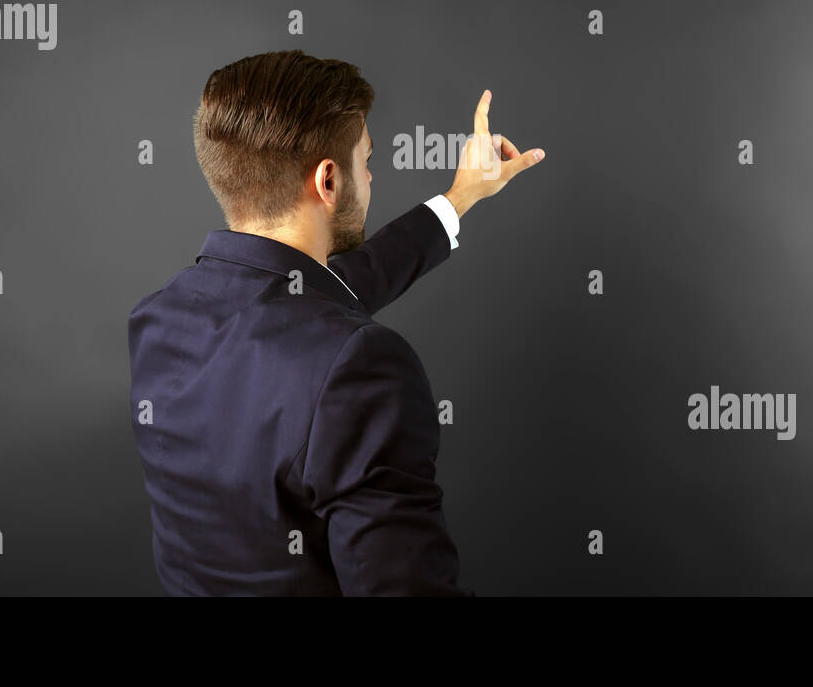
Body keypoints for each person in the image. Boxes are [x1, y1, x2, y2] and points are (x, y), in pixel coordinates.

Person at [128, 49, 544, 595]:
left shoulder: (160, 317)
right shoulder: (358, 364)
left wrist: (461, 195)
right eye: (366, 162)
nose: (370, 178)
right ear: (329, 180)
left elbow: (342, 283)